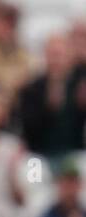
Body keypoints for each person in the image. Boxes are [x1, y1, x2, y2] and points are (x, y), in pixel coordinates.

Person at [19, 34, 86, 162]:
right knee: (30, 177)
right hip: (38, 155)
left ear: (71, 56)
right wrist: (48, 108)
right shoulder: (32, 88)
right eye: (52, 55)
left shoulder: (81, 84)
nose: (56, 60)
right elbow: (29, 131)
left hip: (75, 155)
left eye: (60, 54)